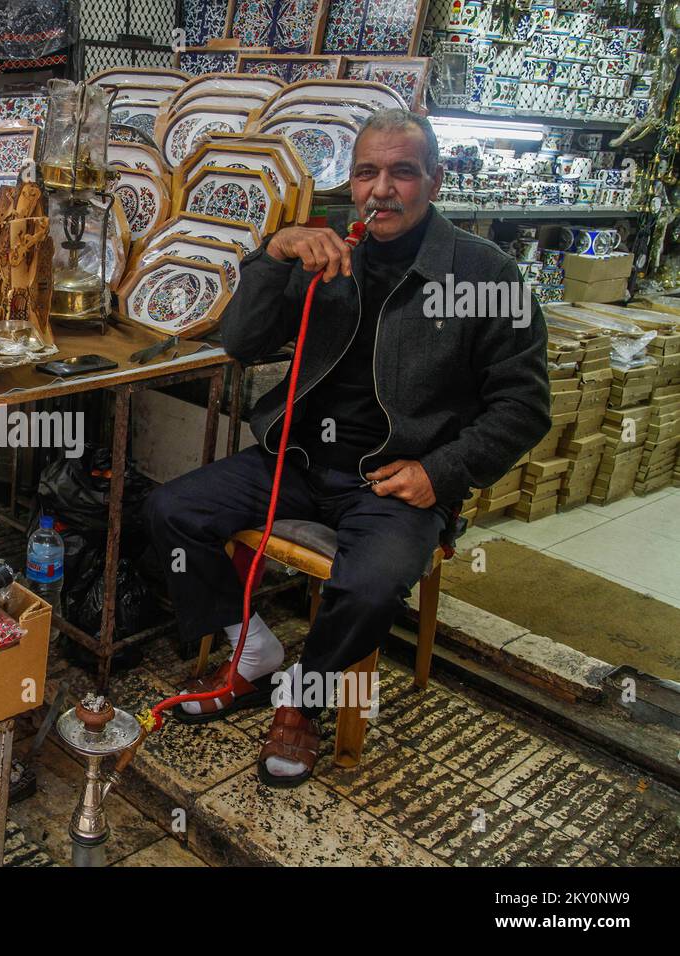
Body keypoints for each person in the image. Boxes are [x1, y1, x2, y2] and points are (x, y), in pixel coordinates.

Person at [144, 108, 551, 787]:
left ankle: (304, 697)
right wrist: (273, 255)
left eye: (403, 172)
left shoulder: (487, 274)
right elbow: (242, 344)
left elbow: (526, 405)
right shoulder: (327, 247)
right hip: (298, 460)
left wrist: (442, 472)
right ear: (351, 181)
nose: (381, 190)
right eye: (367, 173)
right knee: (169, 512)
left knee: (371, 585)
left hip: (396, 480)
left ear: (435, 181)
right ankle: (254, 651)